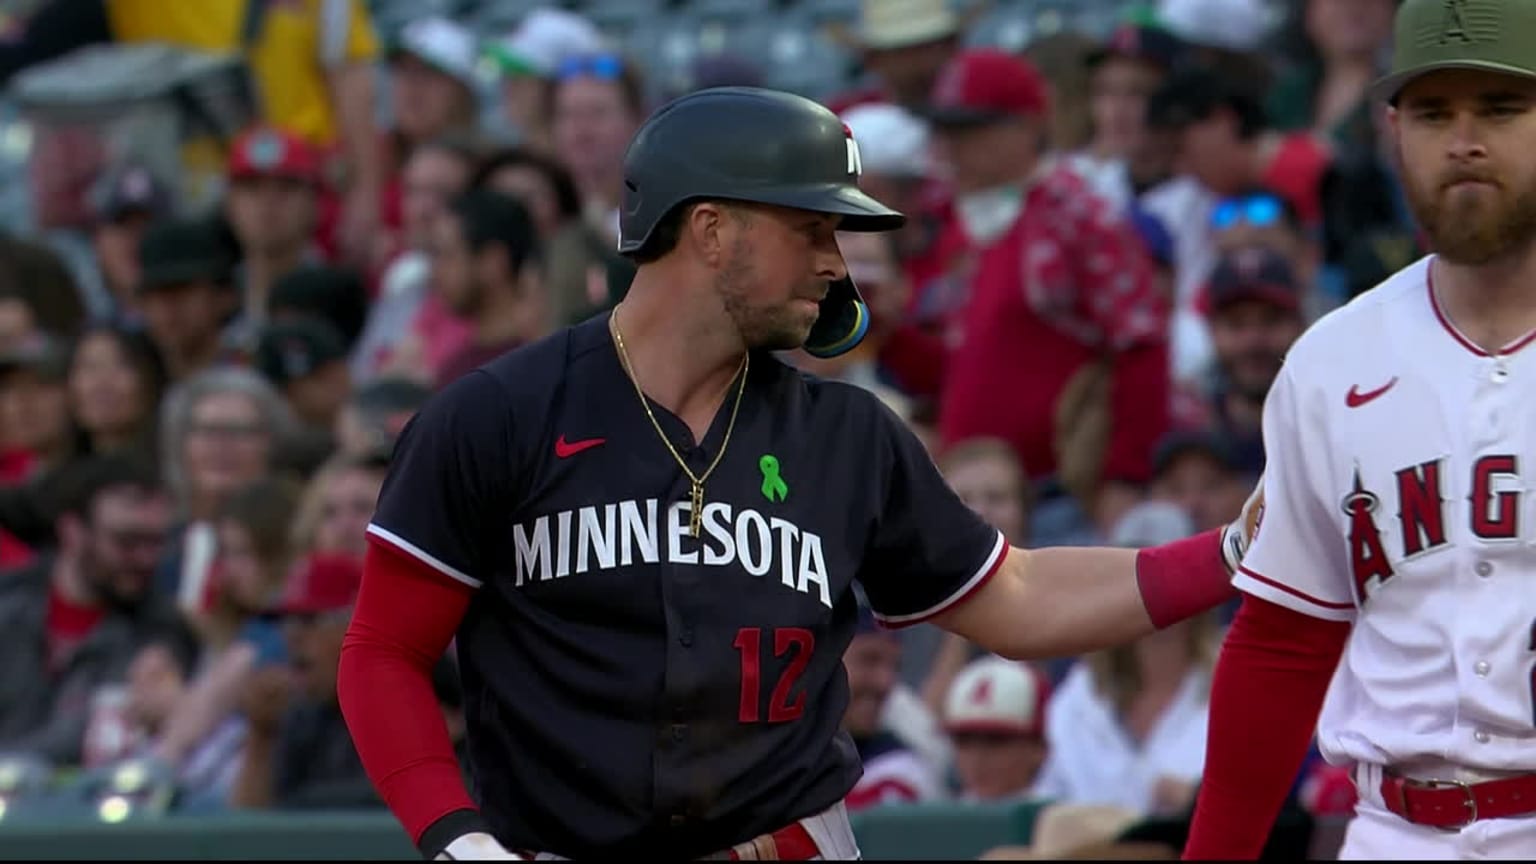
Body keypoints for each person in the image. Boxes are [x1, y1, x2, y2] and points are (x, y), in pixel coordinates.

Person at [337, 86, 1262, 861]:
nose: (836, 262)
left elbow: (1016, 596)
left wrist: (1229, 554)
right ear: (709, 229)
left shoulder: (847, 433)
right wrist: (457, 840)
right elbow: (383, 651)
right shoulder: (499, 414)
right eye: (812, 228)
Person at [1186, 0, 1536, 858]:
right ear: (1391, 131)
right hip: (1391, 833)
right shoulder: (1332, 360)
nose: (1463, 140)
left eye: (1499, 108)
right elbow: (1282, 640)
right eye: (1432, 112)